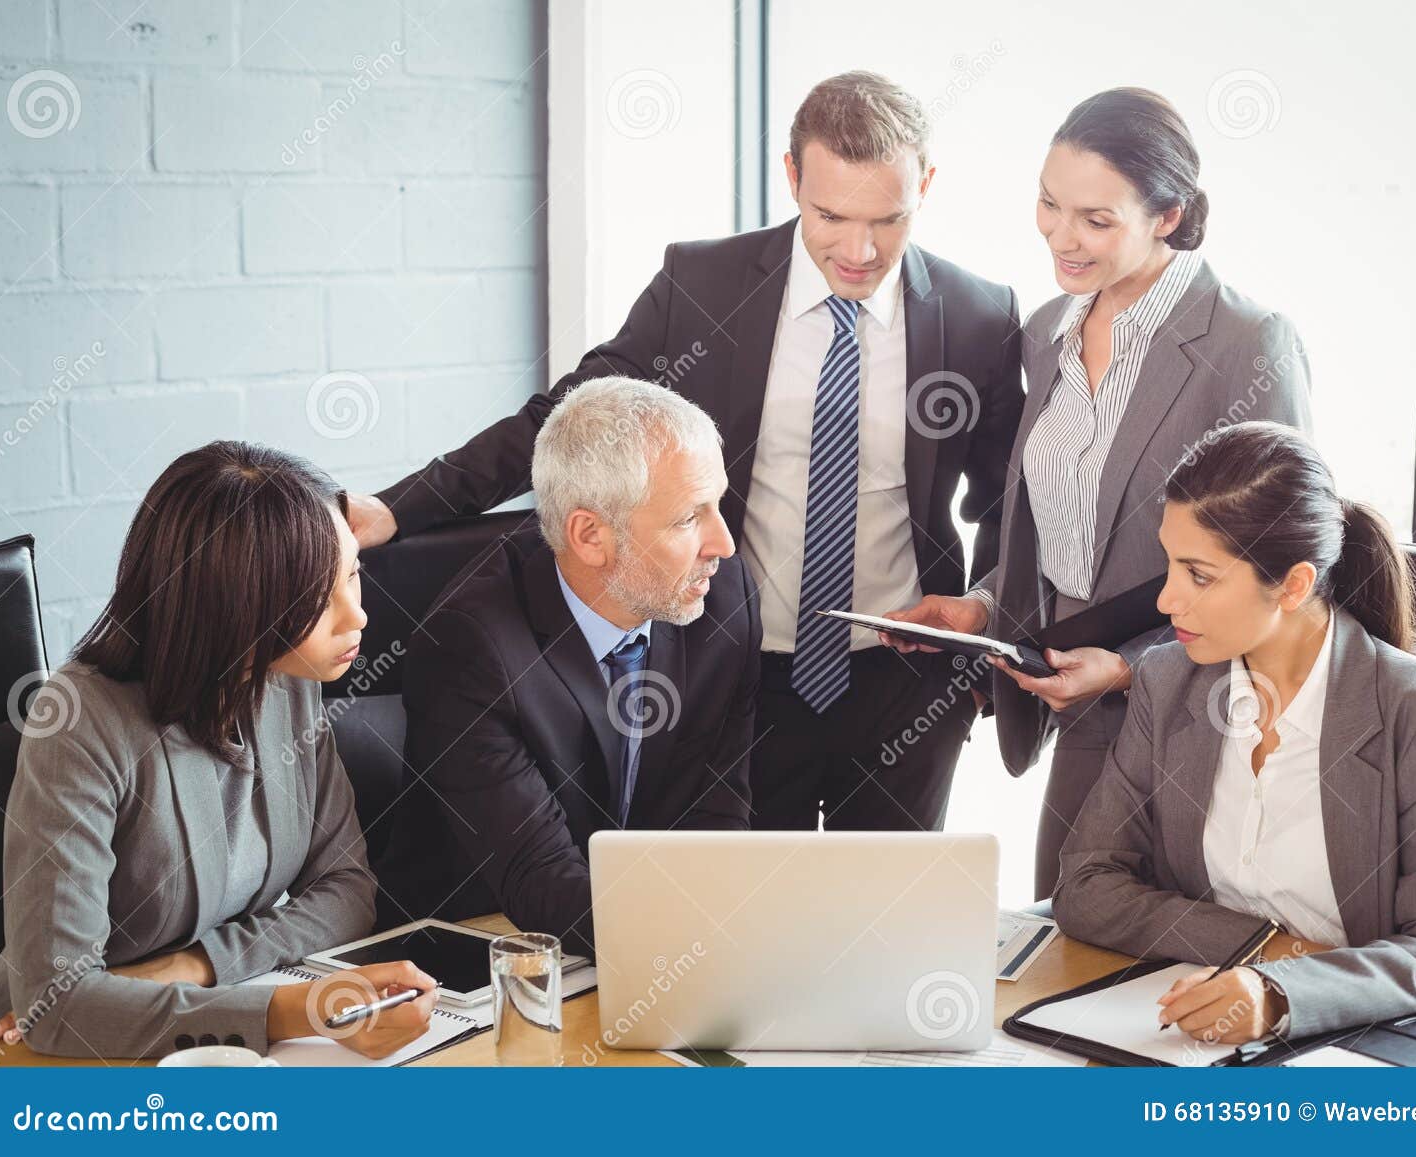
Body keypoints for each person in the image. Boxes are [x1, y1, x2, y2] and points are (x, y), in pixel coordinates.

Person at [348, 71, 1024, 833]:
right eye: (831, 215)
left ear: (925, 186)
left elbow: (1009, 504)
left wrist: (981, 631)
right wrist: (396, 506)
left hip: (906, 684)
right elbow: (567, 417)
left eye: (888, 219)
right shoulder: (703, 283)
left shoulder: (979, 316)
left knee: (891, 927)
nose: (860, 250)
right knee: (747, 920)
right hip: (737, 676)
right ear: (792, 176)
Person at [882, 88, 1312, 894]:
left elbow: (1281, 567)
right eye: (1049, 204)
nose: (1062, 236)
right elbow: (1053, 530)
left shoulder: (1248, 343)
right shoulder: (1046, 332)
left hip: (1205, 712)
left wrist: (1127, 668)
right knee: (1071, 939)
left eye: (1096, 219)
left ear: (1169, 216)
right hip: (1080, 707)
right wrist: (980, 607)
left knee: (1186, 978)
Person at [1053, 421, 1416, 1045]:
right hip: (1206, 1024)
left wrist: (1284, 994)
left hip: (1384, 1040)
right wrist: (1270, 953)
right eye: (1169, 565)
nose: (1166, 600)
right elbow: (1088, 886)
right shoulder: (1168, 681)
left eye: (1199, 575)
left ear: (1293, 585)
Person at [0, 442, 437, 1060]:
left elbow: (346, 891)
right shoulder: (80, 723)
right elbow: (58, 1006)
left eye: (353, 574)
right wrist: (301, 1009)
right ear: (237, 602)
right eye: (319, 595)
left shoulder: (288, 683)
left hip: (208, 1035)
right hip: (63, 1057)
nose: (357, 616)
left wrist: (196, 964)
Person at [374, 378, 759, 956]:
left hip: (640, 942)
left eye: (718, 506)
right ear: (590, 536)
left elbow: (719, 811)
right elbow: (542, 881)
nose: (724, 544)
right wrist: (702, 943)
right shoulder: (471, 645)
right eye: (688, 519)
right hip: (480, 955)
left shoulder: (722, 595)